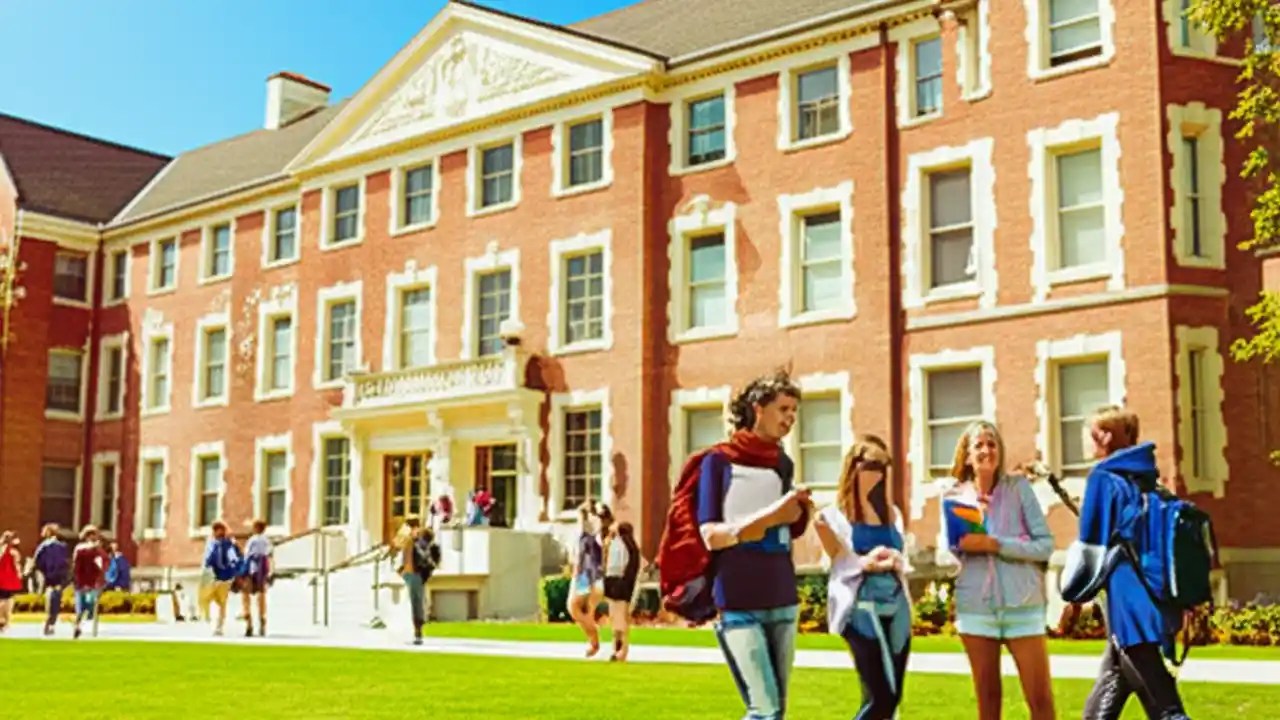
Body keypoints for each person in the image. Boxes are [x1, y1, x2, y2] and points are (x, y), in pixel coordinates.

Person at [696, 370, 812, 720]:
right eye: (784, 409)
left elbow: (783, 533)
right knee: (764, 709)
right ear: (758, 408)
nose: (791, 419)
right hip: (737, 599)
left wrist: (799, 513)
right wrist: (774, 514)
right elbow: (712, 536)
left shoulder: (783, 463)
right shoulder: (717, 462)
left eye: (794, 411)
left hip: (782, 597)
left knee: (776, 712)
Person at [1071, 406, 1191, 719]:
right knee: (1113, 678)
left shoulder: (1103, 477)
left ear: (1104, 436)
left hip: (1131, 609)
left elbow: (1089, 548)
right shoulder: (1148, 480)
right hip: (1154, 597)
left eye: (1089, 433)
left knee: (1165, 707)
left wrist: (1070, 594)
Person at [945, 420, 1055, 720]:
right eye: (978, 445)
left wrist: (996, 544)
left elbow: (1044, 545)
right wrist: (962, 545)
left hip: (1023, 607)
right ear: (967, 455)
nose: (986, 449)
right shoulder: (955, 497)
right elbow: (946, 556)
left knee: (1041, 701)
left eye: (992, 443)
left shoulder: (1018, 488)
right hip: (976, 610)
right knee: (988, 702)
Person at [814, 436, 912, 720]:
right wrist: (865, 563)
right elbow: (838, 562)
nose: (879, 473)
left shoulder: (891, 513)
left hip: (897, 606)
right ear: (853, 467)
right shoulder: (832, 517)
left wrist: (894, 559)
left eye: (884, 465)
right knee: (882, 696)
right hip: (860, 607)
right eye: (871, 464)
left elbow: (904, 556)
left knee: (893, 698)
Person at [568, 502, 605, 657]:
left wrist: (577, 574)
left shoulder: (586, 537)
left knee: (574, 608)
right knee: (586, 610)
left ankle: (594, 638)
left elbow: (582, 559)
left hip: (586, 576)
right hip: (593, 577)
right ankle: (593, 641)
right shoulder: (591, 536)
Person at [391, 516, 435, 645]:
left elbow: (398, 547)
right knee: (415, 602)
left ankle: (417, 631)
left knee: (415, 603)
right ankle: (416, 631)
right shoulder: (413, 537)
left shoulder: (411, 537)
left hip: (412, 573)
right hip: (414, 574)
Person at [603, 520, 641, 662]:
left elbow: (616, 565)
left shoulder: (621, 544)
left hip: (617, 582)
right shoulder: (621, 544)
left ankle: (621, 650)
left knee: (618, 617)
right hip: (618, 582)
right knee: (616, 617)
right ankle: (617, 648)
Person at [201, 520, 242, 636]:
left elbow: (234, 559)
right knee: (211, 599)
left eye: (219, 530)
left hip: (224, 577)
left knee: (221, 602)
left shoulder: (227, 544)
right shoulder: (212, 543)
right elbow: (206, 560)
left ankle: (219, 626)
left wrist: (235, 573)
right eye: (215, 530)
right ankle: (213, 621)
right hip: (213, 576)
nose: (217, 532)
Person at [71, 525, 109, 639]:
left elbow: (104, 564)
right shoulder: (81, 548)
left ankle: (83, 622)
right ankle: (77, 625)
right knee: (80, 607)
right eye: (91, 535)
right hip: (82, 582)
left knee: (91, 604)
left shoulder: (99, 550)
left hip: (94, 582)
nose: (93, 537)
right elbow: (76, 565)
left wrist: (101, 579)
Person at [32, 523, 70, 636]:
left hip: (48, 576)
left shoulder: (44, 546)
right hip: (58, 576)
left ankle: (49, 620)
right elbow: (65, 562)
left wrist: (41, 572)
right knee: (56, 598)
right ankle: (52, 621)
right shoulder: (62, 546)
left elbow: (37, 561)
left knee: (50, 597)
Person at [241, 519, 272, 637]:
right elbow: (269, 554)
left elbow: (246, 554)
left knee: (245, 594)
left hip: (251, 568)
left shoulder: (252, 540)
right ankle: (262, 621)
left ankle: (248, 622)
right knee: (261, 596)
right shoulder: (267, 540)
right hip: (262, 570)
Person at [0, 531, 23, 633]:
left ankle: (1, 619)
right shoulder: (13, 552)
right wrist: (20, 574)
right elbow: (17, 566)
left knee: (2, 600)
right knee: (8, 600)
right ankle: (6, 621)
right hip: (9, 580)